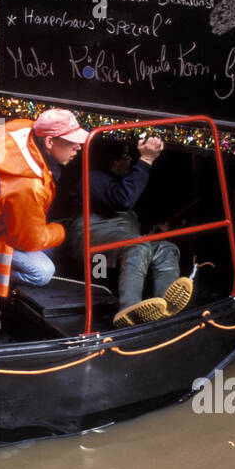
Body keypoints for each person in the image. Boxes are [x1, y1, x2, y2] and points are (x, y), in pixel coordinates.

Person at [0, 108, 88, 300]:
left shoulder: (19, 131)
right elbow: (28, 241)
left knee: (44, 244)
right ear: (49, 141)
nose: (78, 147)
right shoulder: (27, 186)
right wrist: (61, 231)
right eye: (71, 142)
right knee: (43, 271)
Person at [60, 133, 191, 327]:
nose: (130, 160)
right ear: (112, 162)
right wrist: (146, 160)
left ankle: (166, 305)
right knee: (137, 245)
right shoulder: (94, 177)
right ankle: (129, 310)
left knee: (165, 248)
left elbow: (126, 227)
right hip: (90, 232)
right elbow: (123, 200)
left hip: (120, 237)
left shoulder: (118, 183)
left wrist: (152, 236)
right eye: (126, 156)